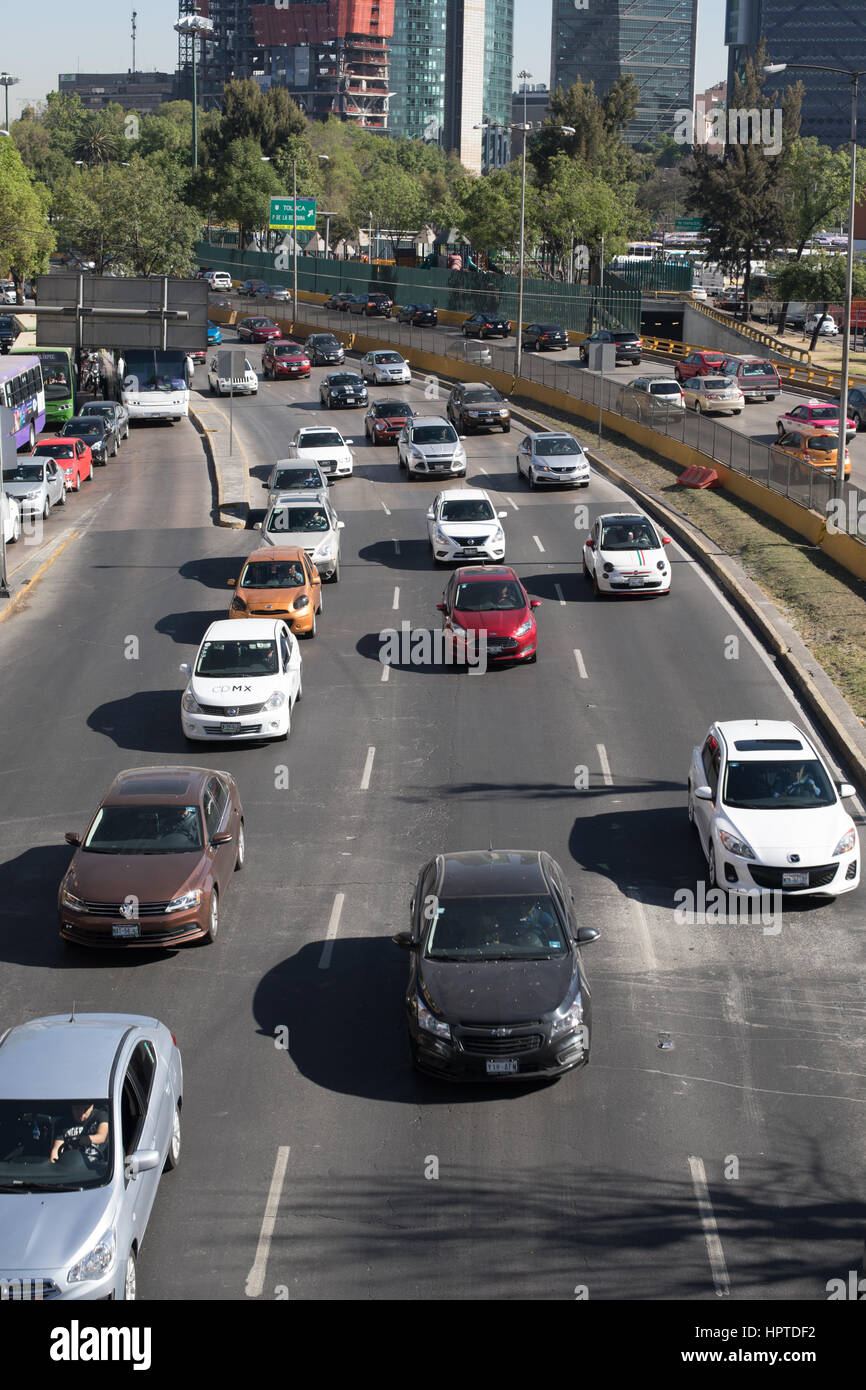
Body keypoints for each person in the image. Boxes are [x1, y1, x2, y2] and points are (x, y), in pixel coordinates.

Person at [50, 1102, 109, 1168]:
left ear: (92, 1106)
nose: (81, 1113)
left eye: (85, 1109)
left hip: (96, 1169)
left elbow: (101, 1137)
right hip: (71, 1167)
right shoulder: (63, 1123)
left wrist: (84, 1140)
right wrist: (54, 1167)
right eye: (77, 1109)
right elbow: (56, 1149)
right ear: (72, 1107)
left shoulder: (101, 1116)